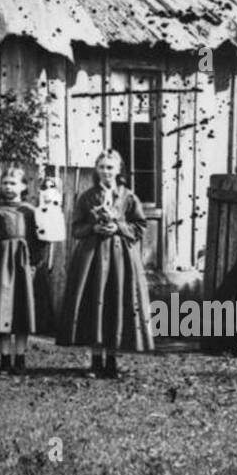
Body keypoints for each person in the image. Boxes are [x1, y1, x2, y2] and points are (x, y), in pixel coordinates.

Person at [57, 149, 155, 378]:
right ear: (96, 170)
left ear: (118, 169)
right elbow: (76, 228)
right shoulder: (86, 197)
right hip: (92, 258)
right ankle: (95, 360)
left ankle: (111, 360)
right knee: (95, 302)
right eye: (101, 167)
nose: (106, 172)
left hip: (120, 259)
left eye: (110, 167)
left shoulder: (128, 196)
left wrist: (118, 227)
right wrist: (93, 228)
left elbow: (140, 226)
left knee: (115, 301)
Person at [0, 165, 45, 374]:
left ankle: (21, 358)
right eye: (5, 183)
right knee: (3, 309)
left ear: (23, 186)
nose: (8, 187)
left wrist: (35, 264)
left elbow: (41, 240)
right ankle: (5, 358)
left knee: (22, 312)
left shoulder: (31, 211)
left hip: (23, 266)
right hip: (2, 266)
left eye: (13, 183)